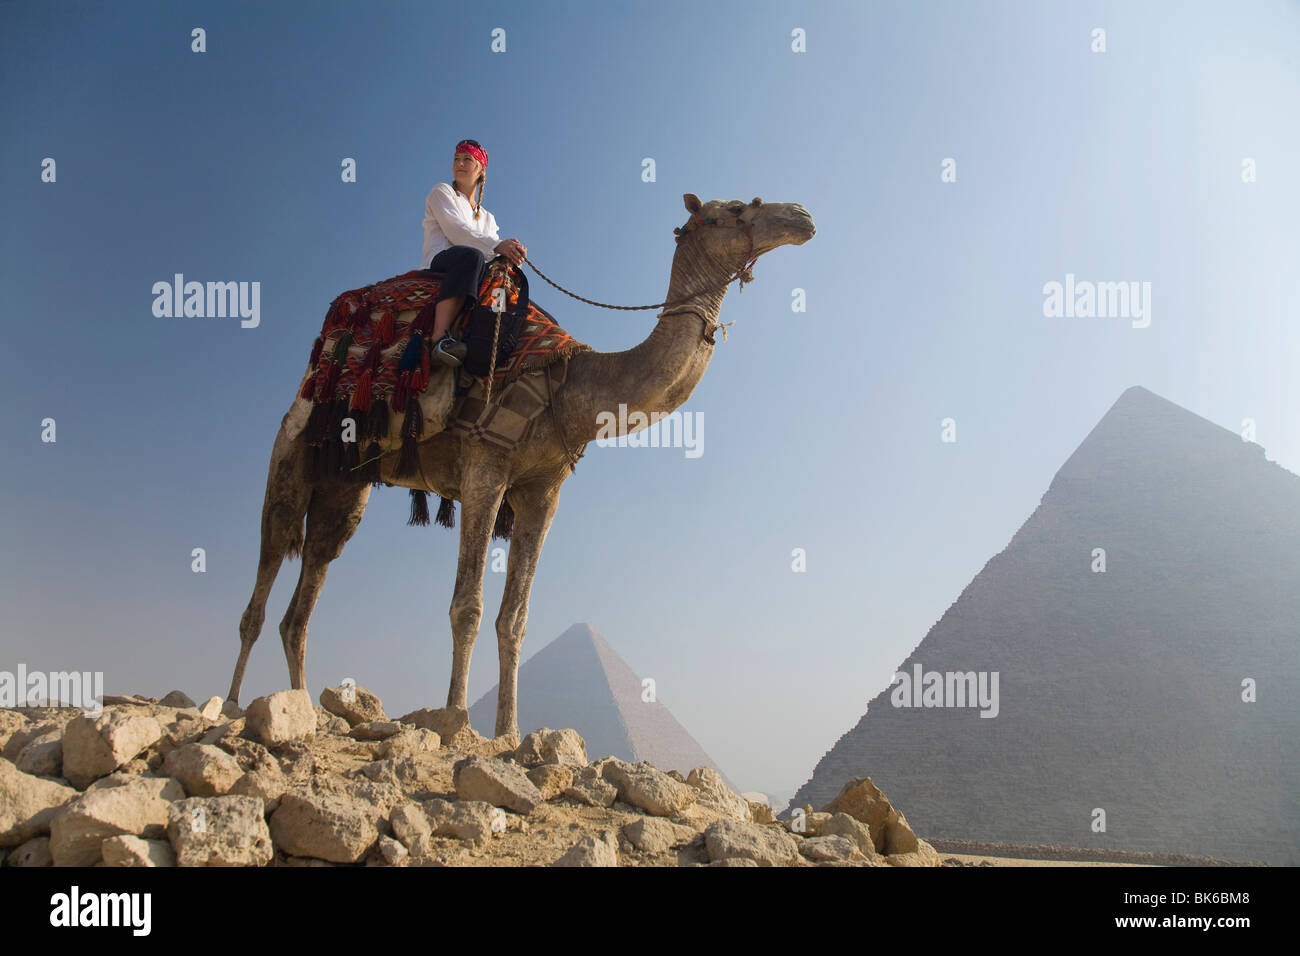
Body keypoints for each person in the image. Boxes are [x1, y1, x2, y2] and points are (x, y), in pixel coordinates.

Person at [422, 139, 527, 366]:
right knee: (471, 256)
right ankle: (439, 338)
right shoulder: (442, 192)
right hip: (444, 260)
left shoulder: (488, 218)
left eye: (466, 159)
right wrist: (499, 246)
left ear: (480, 169)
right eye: (456, 159)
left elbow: (492, 249)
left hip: (477, 268)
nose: (459, 164)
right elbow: (456, 231)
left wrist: (511, 254)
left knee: (513, 292)